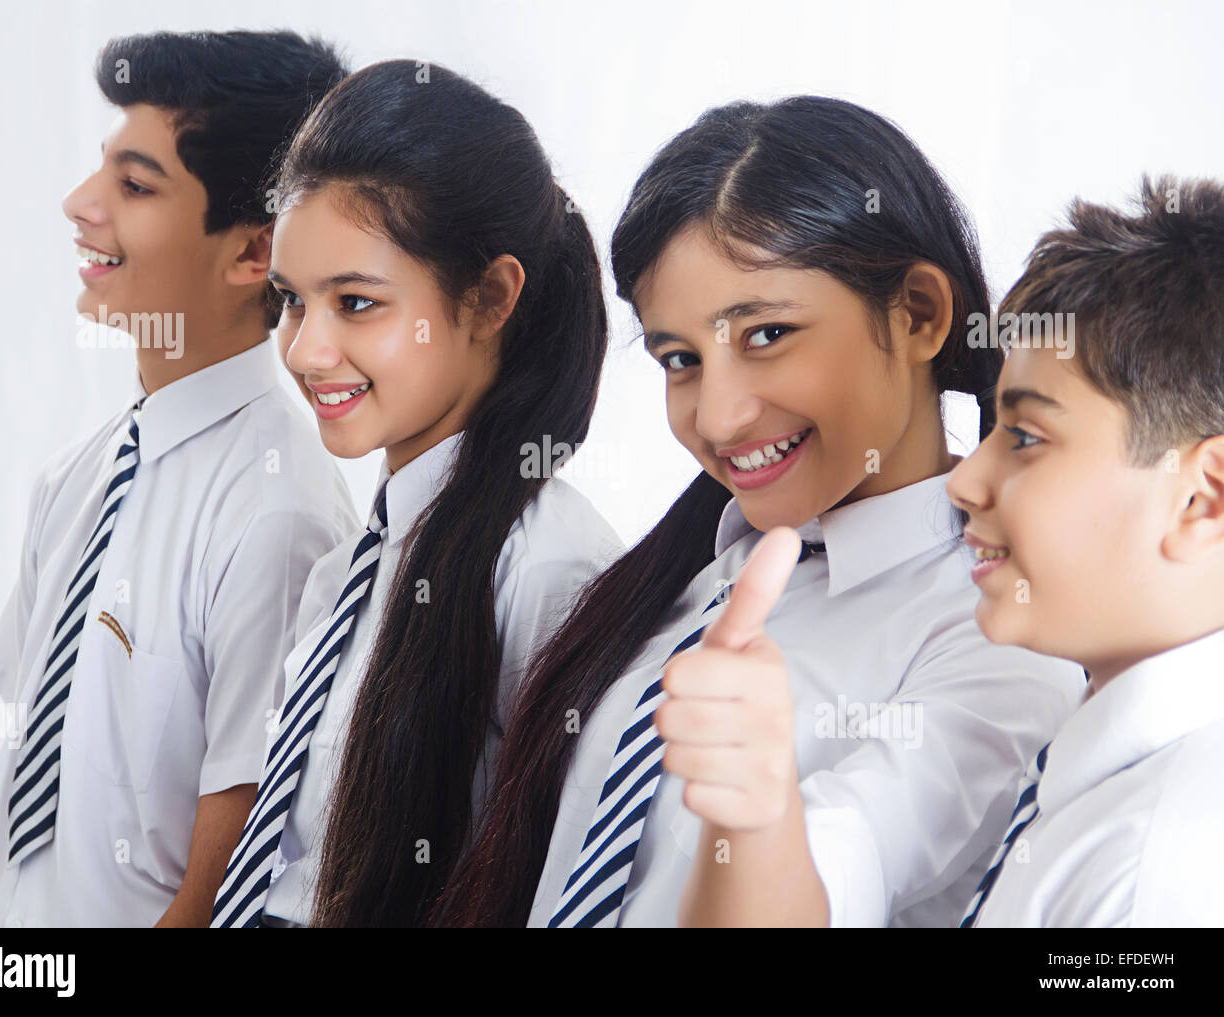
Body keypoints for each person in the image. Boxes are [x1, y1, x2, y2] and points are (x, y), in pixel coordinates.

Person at [434, 96, 1083, 927]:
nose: (718, 417)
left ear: (918, 314)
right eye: (681, 358)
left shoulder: (999, 638)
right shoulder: (705, 570)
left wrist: (757, 805)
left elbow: (832, 875)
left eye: (767, 334)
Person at [0, 30, 355, 927]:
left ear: (256, 253)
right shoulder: (81, 472)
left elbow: (242, 842)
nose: (80, 205)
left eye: (135, 185)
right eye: (102, 170)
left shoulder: (278, 508)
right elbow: (27, 762)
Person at [212, 61, 623, 928]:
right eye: (291, 301)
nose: (305, 351)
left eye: (356, 303)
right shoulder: (349, 571)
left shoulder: (548, 569)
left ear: (491, 297)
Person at [948, 175, 1224, 927]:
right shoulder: (1115, 794)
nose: (966, 480)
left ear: (1203, 498)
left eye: (1026, 438)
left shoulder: (1158, 874)